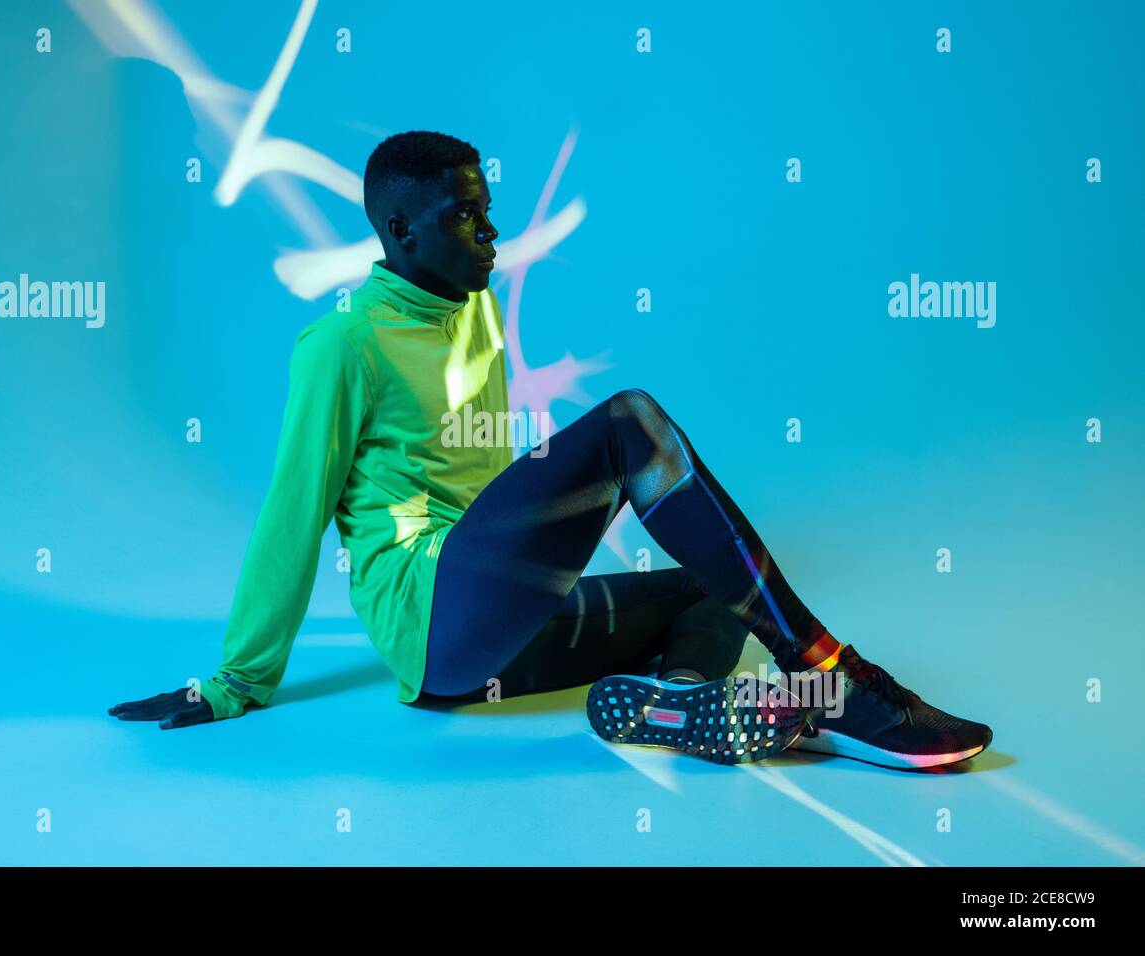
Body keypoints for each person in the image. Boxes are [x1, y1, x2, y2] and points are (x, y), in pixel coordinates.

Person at [110, 130, 994, 771]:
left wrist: (544, 550)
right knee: (628, 421)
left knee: (718, 584)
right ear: (400, 230)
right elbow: (290, 516)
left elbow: (488, 482)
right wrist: (237, 681)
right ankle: (836, 679)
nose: (491, 232)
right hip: (430, 621)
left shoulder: (476, 308)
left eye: (489, 210)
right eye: (465, 217)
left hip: (501, 620)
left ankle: (679, 703)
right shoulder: (342, 345)